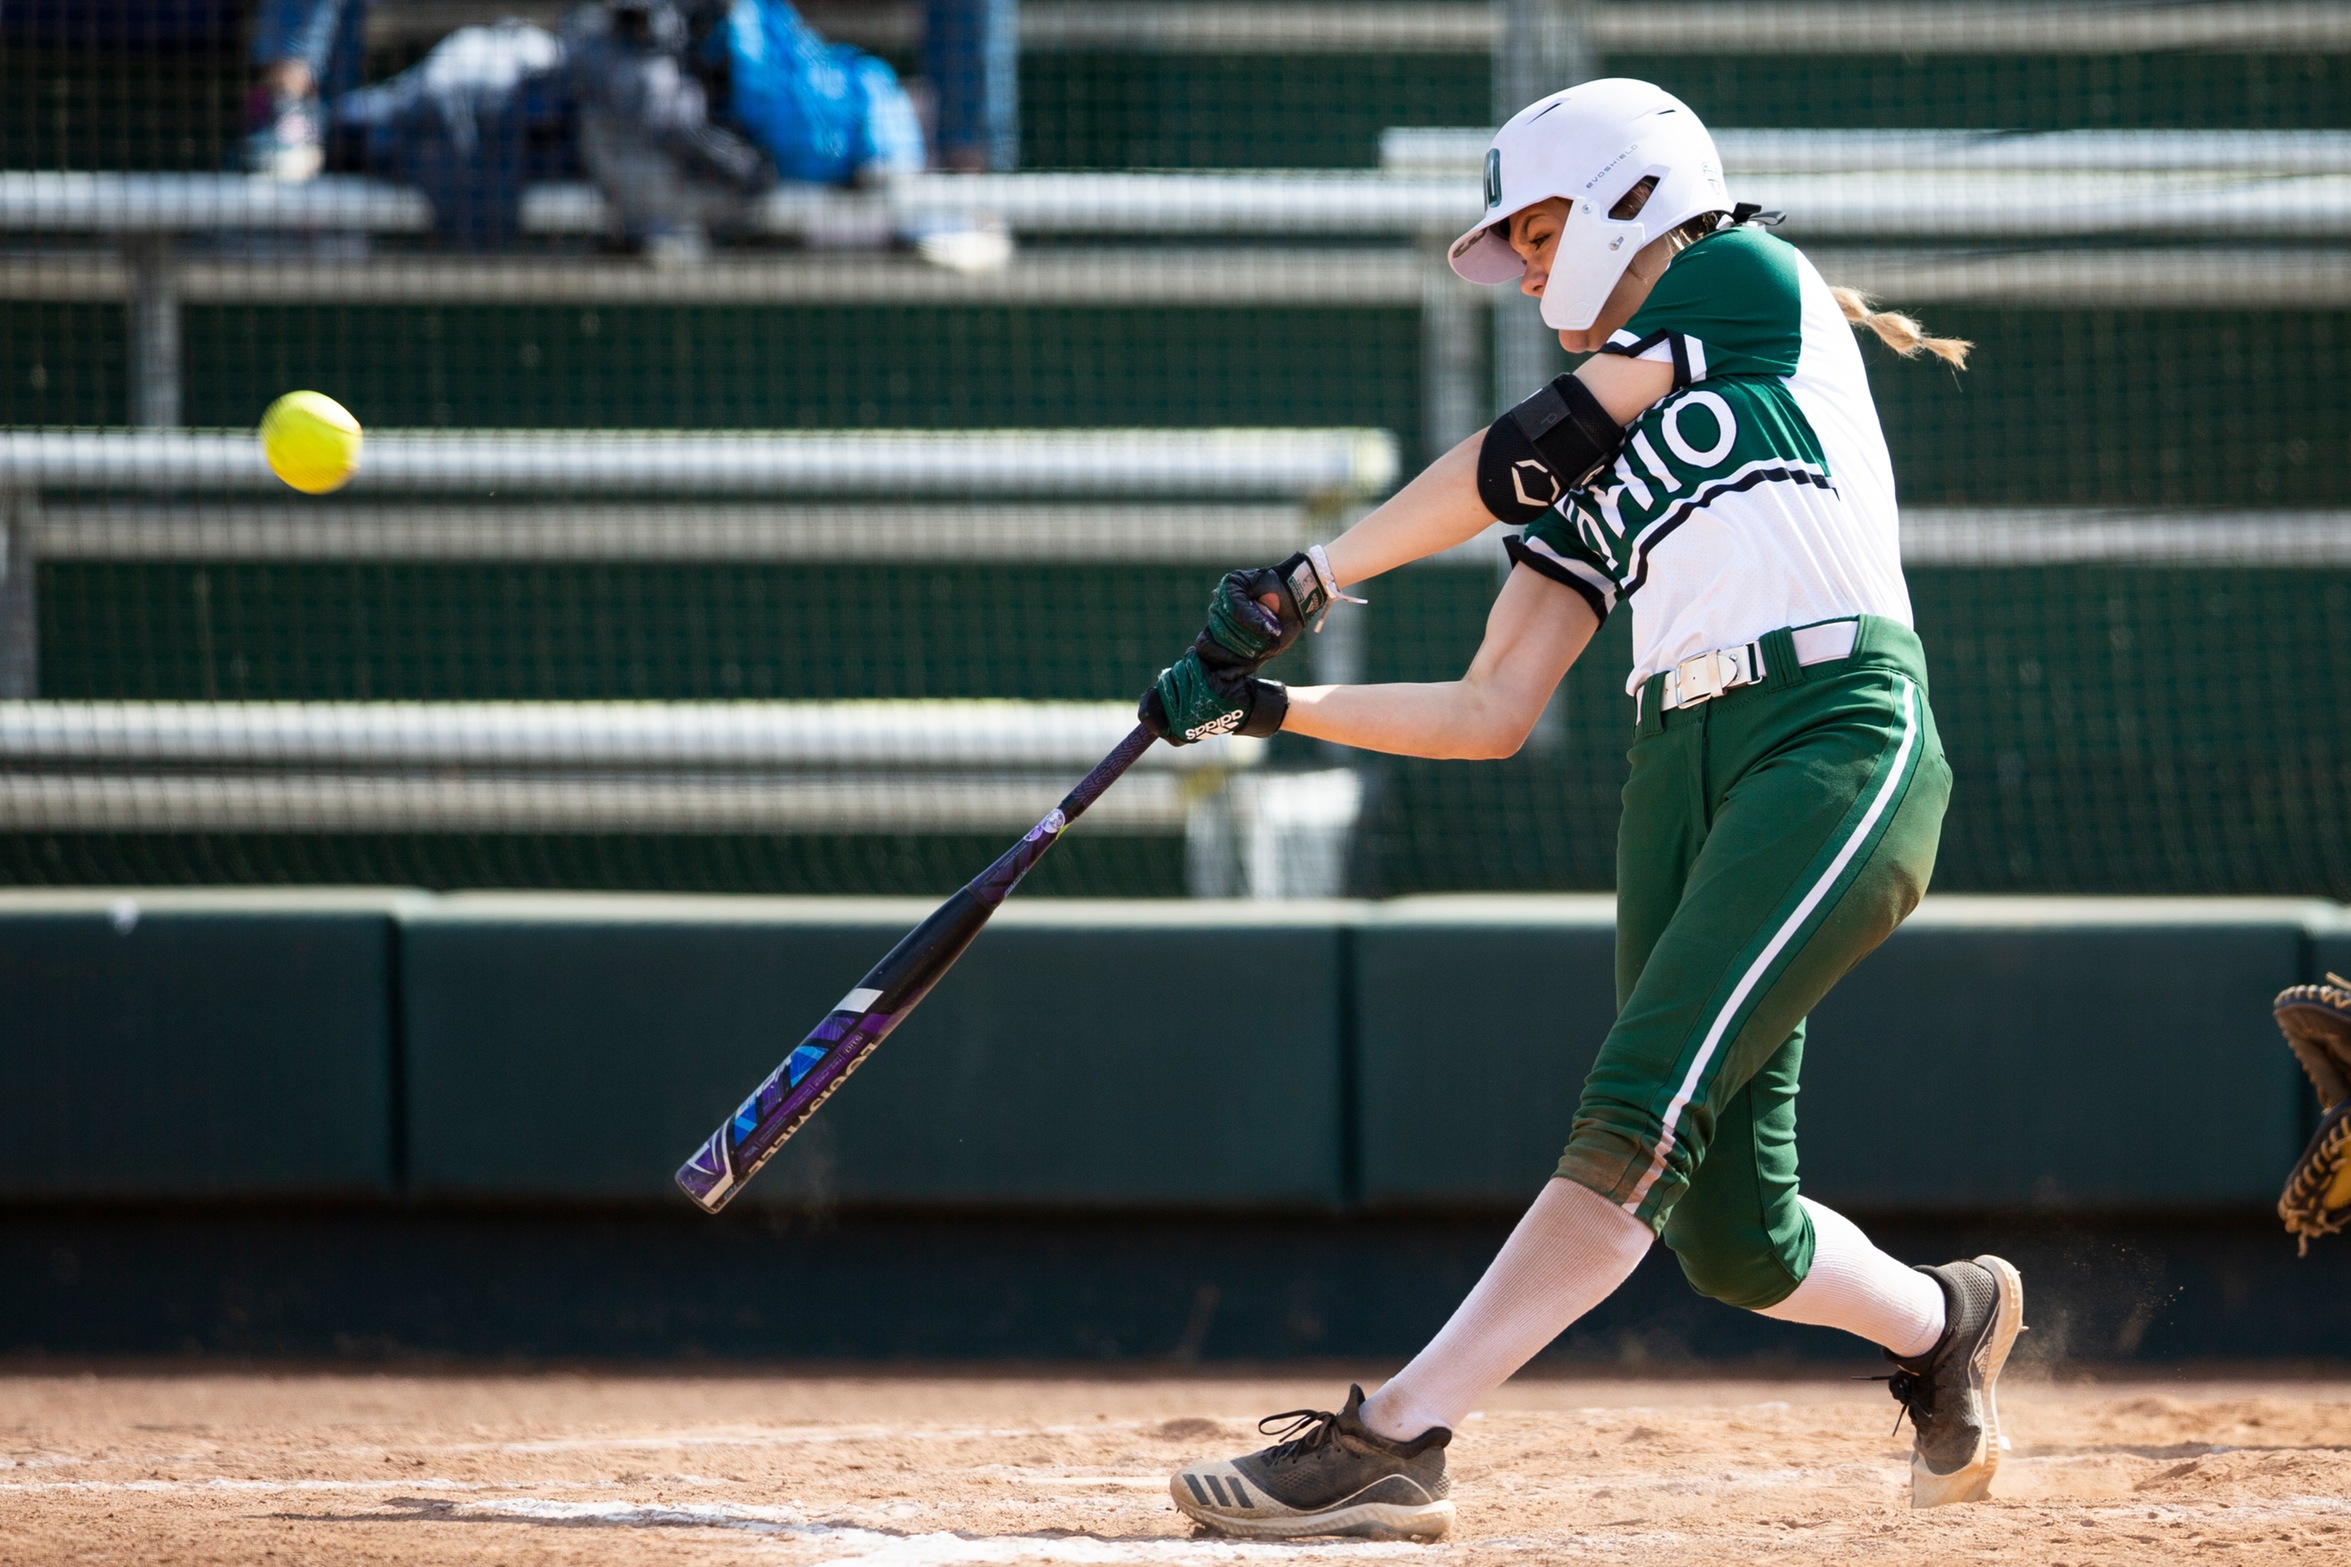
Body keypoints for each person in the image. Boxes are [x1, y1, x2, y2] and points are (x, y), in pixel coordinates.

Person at [1137, 78, 2022, 1540]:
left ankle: (1398, 1434)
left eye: (1540, 231)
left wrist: (1313, 578)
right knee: (1740, 1240)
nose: (1532, 269)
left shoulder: (1743, 274)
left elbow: (1513, 449)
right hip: (1675, 765)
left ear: (1631, 194)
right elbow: (1492, 710)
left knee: (1633, 1114)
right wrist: (1270, 707)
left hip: (1833, 729)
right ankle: (1946, 1324)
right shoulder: (1605, 451)